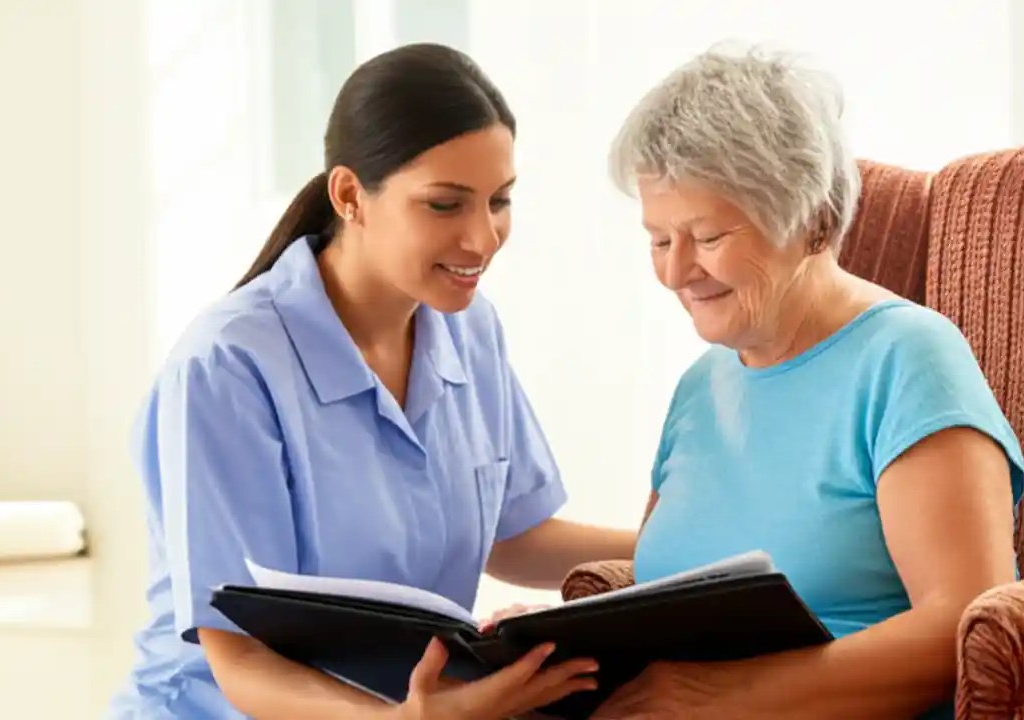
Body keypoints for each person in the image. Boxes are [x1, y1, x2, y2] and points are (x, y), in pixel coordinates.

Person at [107, 43, 635, 720]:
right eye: (445, 205)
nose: (483, 238)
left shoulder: (469, 331)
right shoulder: (229, 366)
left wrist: (702, 546)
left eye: (499, 201)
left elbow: (515, 538)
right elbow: (239, 660)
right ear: (351, 195)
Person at [589, 45, 1024, 720]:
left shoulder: (908, 360)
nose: (676, 273)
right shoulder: (698, 390)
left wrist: (724, 700)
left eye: (707, 236)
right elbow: (665, 602)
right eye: (657, 239)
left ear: (814, 220)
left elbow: (964, 626)